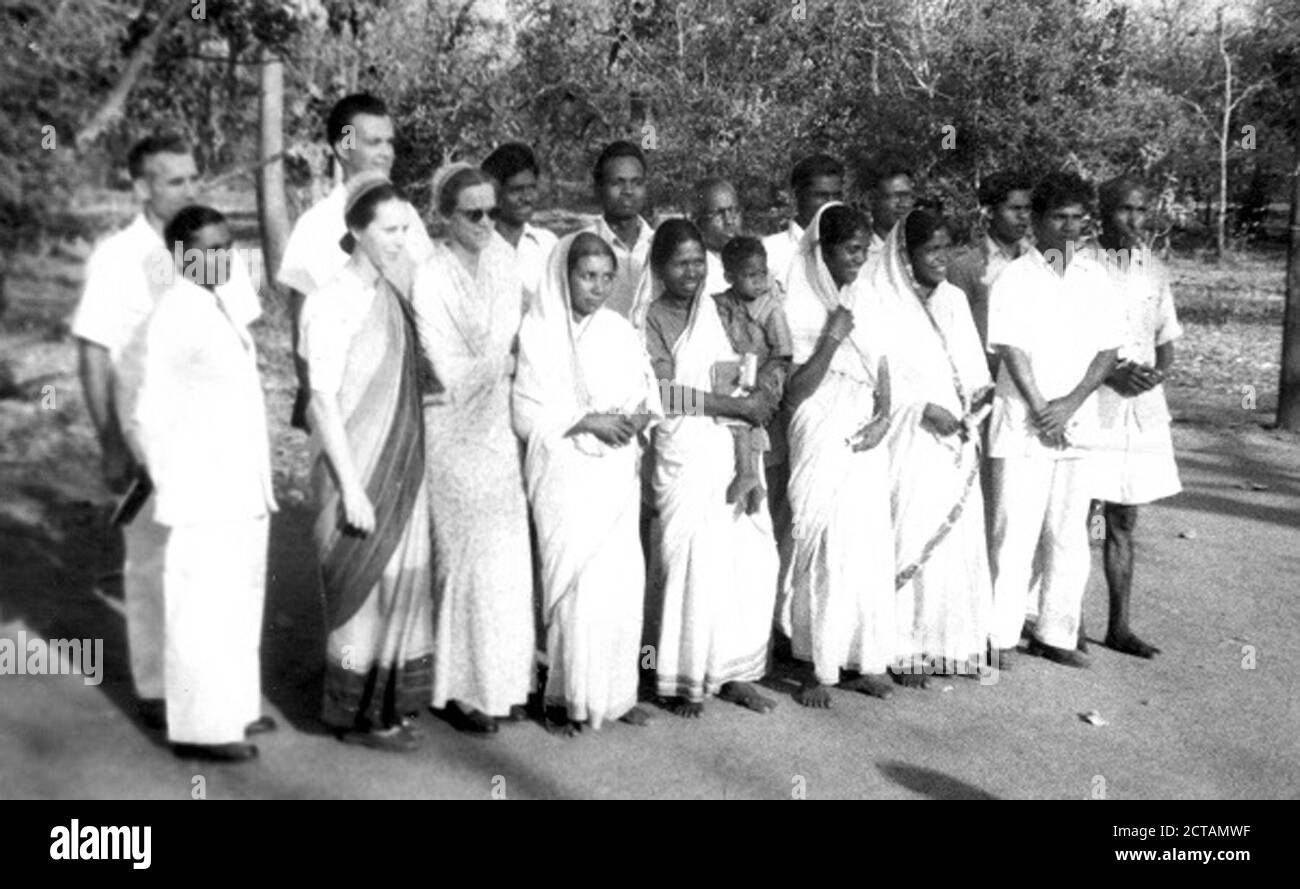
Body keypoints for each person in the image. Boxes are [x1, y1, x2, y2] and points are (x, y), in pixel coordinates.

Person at [71, 133, 261, 732]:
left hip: (218, 444)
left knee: (224, 575)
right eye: (174, 180)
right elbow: (94, 352)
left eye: (192, 177)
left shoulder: (210, 246)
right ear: (141, 187)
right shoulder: (118, 256)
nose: (188, 189)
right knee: (156, 567)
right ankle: (158, 690)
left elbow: (240, 337)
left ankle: (223, 700)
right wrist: (110, 443)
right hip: (148, 435)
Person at [127, 205, 276, 762]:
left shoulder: (220, 305)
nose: (219, 259)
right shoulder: (175, 316)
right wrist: (175, 481)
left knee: (239, 602)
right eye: (205, 251)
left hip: (242, 484)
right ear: (179, 257)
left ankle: (232, 708)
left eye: (225, 247)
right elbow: (147, 413)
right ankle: (202, 729)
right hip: (203, 491)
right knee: (201, 609)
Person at [300, 174, 436, 751]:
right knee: (362, 587)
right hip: (352, 468)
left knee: (400, 582)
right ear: (356, 231)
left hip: (400, 465)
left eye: (406, 228)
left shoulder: (392, 293)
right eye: (389, 230)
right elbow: (322, 399)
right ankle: (353, 714)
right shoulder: (329, 301)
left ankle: (385, 702)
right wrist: (353, 489)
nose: (400, 240)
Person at [513, 232, 663, 736]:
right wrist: (588, 420)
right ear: (564, 275)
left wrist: (636, 419)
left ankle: (615, 697)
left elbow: (649, 392)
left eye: (605, 278)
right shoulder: (539, 331)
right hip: (567, 475)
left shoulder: (618, 329)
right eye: (586, 276)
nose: (597, 287)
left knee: (619, 585)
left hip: (616, 474)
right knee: (577, 592)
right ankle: (568, 699)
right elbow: (526, 412)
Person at [639, 219, 780, 717]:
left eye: (699, 261)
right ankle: (678, 676)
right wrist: (731, 404)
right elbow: (662, 394)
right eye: (680, 262)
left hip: (731, 446)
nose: (692, 271)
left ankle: (731, 672)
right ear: (659, 268)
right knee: (688, 563)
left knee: (746, 558)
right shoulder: (651, 319)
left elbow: (743, 373)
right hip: (684, 451)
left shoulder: (718, 313)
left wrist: (749, 402)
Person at [412, 163, 535, 734]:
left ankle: (503, 684)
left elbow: (520, 335)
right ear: (444, 215)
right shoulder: (430, 276)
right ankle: (459, 690)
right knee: (464, 558)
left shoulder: (506, 262)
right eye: (473, 213)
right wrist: (503, 361)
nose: (487, 222)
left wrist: (507, 362)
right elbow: (446, 365)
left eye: (492, 211)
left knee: (505, 557)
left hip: (497, 425)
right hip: (451, 429)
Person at [986, 172, 1121, 670]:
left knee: (1069, 531)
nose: (1069, 228)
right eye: (1058, 218)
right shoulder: (1015, 276)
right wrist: (1043, 405)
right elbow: (1010, 347)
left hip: (1077, 419)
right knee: (1014, 529)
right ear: (1037, 222)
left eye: (1077, 219)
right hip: (1025, 419)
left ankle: (1056, 632)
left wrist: (1072, 401)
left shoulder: (1095, 276)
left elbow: (1109, 348)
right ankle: (997, 634)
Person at [779, 203, 900, 706]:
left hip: (864, 424)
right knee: (825, 543)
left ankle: (864, 659)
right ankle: (816, 664)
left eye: (864, 250)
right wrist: (831, 336)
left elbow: (884, 361)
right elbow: (794, 390)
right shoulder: (798, 298)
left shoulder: (869, 292)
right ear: (823, 249)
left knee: (867, 542)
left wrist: (886, 413)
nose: (859, 259)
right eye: (850, 250)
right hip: (820, 422)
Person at [873, 209, 994, 684]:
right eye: (930, 250)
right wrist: (921, 408)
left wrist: (974, 410)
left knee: (956, 547)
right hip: (912, 441)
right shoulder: (884, 302)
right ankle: (902, 647)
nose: (941, 259)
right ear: (905, 254)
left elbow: (975, 368)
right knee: (910, 532)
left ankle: (948, 645)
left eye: (947, 248)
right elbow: (877, 375)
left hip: (957, 443)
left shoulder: (955, 301)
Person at [278, 93, 433, 429]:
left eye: (390, 142)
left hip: (406, 392)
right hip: (346, 399)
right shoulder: (316, 225)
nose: (387, 153)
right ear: (344, 146)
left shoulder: (409, 217)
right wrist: (319, 414)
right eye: (374, 142)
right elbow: (300, 327)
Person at [1086, 176, 1182, 658]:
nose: (1133, 220)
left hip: (1139, 410)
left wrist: (1156, 375)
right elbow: (1063, 340)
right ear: (1102, 211)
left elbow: (1166, 336)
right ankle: (1049, 623)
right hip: (1089, 406)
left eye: (1141, 211)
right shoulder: (1077, 264)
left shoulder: (1154, 269)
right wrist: (1108, 377)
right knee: (1073, 517)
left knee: (1124, 519)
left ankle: (1118, 626)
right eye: (1123, 209)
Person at [713, 236, 793, 514]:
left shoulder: (770, 308)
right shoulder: (720, 304)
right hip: (738, 372)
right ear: (729, 276)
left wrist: (762, 378)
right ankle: (746, 474)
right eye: (750, 275)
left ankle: (750, 473)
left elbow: (783, 353)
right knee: (729, 406)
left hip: (767, 374)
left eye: (762, 273)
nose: (759, 281)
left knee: (748, 411)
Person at [946, 170, 1034, 357]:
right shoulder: (965, 267)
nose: (1024, 216)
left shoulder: (1040, 261)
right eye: (1015, 209)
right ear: (989, 212)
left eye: (1027, 209)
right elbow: (956, 334)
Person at [581, 141, 654, 319]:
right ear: (598, 188)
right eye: (617, 183)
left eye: (636, 183)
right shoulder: (579, 247)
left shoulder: (662, 245)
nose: (628, 191)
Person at [482, 141, 558, 309]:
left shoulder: (547, 244)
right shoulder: (477, 248)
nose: (527, 198)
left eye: (531, 188)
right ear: (495, 193)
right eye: (516, 190)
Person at [763, 154, 845, 291]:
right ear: (797, 195)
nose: (831, 204)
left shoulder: (852, 252)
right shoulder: (769, 252)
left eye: (837, 196)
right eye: (821, 195)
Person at [862, 157, 916, 276]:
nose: (904, 204)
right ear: (870, 200)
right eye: (898, 196)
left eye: (908, 196)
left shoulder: (922, 251)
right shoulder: (858, 255)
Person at [691, 177, 743, 297]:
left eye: (733, 211)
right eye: (719, 214)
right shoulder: (693, 271)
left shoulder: (754, 258)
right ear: (697, 221)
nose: (729, 221)